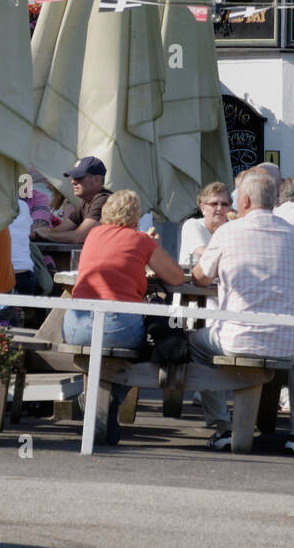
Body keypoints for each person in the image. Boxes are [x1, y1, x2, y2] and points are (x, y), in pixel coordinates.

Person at [191, 167, 294, 456]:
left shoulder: (227, 231)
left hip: (236, 338)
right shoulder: (292, 234)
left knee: (196, 344)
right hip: (288, 340)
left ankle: (222, 426)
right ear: (274, 202)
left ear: (246, 202)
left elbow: (200, 278)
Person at [63, 189, 188, 442]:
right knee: (149, 344)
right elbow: (175, 277)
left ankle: (98, 401)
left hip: (75, 325)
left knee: (113, 347)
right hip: (115, 327)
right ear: (136, 216)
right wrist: (155, 247)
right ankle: (113, 402)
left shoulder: (94, 234)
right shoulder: (140, 239)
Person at [33, 155, 110, 247]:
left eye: (79, 177)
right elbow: (59, 230)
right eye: (73, 177)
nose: (73, 182)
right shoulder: (85, 202)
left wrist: (46, 234)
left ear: (96, 179)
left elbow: (78, 237)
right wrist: (38, 234)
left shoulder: (104, 200)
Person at [178, 182, 232, 265]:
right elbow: (204, 254)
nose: (220, 208)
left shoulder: (233, 229)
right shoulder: (192, 225)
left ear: (229, 208)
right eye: (214, 204)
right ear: (202, 208)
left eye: (224, 204)